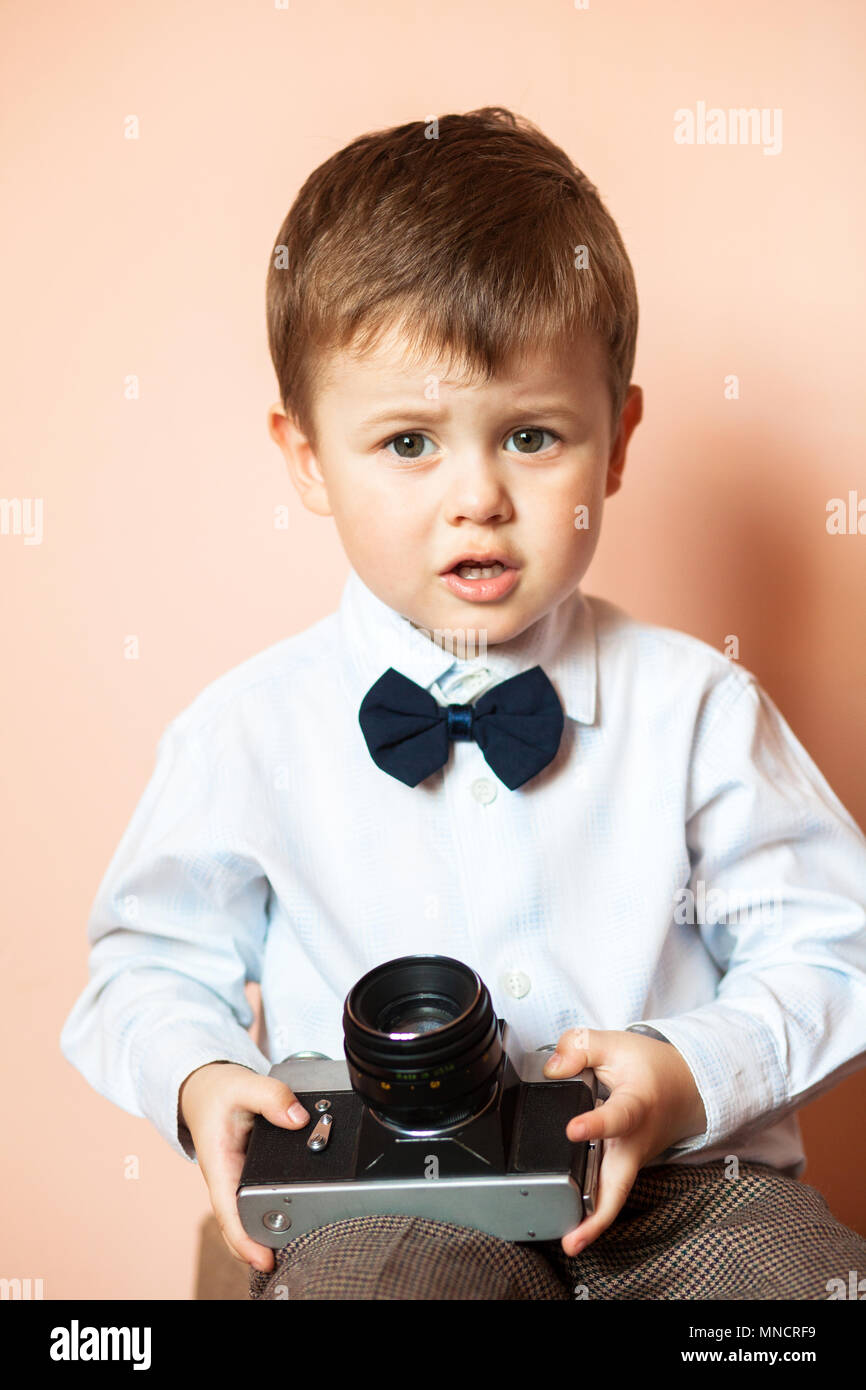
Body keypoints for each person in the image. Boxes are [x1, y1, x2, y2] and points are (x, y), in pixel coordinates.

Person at [60, 107, 866, 1301]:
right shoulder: (248, 731)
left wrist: (685, 1072)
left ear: (617, 441)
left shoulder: (695, 703)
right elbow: (146, 964)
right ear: (304, 458)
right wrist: (199, 1078)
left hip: (682, 1189)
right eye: (406, 444)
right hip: (387, 1192)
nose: (476, 496)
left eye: (531, 435)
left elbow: (831, 941)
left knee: (798, 1305)